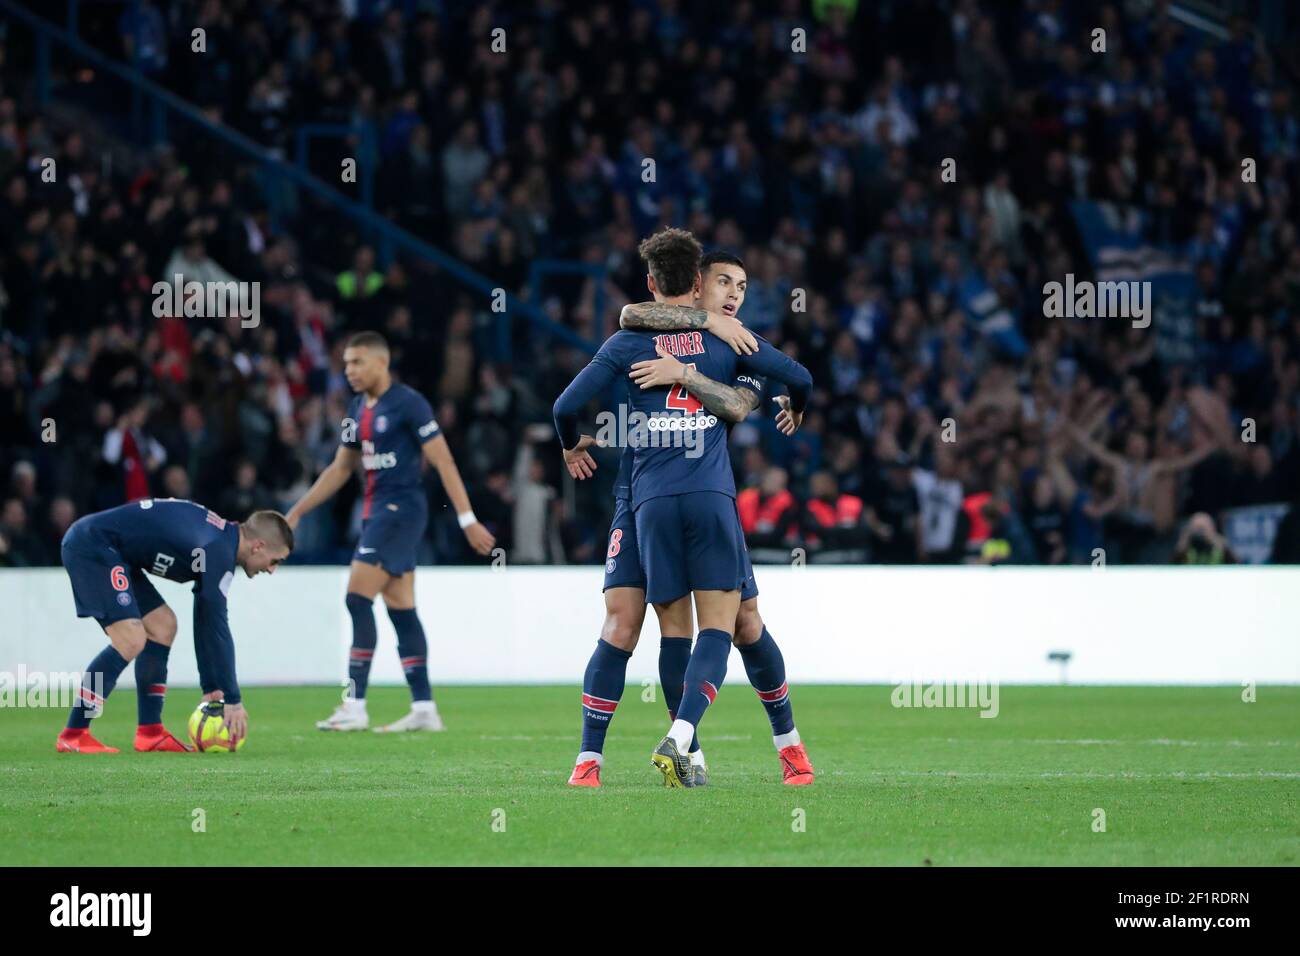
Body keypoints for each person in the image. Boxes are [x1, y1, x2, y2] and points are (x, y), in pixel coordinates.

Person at [553, 228, 813, 788]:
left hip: (650, 499)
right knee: (681, 625)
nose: (734, 296)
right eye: (724, 283)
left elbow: (743, 405)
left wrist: (576, 441)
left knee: (732, 623)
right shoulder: (717, 335)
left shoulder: (706, 341)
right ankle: (682, 747)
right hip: (682, 494)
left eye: (742, 286)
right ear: (696, 286)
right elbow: (796, 377)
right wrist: (793, 397)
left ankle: (776, 748)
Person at [287, 332, 494, 733]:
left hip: (400, 512)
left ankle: (355, 704)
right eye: (346, 363)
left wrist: (467, 519)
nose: (349, 370)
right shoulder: (355, 409)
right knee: (401, 610)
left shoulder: (409, 403)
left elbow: (443, 461)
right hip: (376, 514)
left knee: (356, 598)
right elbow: (340, 468)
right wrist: (297, 511)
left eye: (357, 362)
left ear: (381, 363)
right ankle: (424, 708)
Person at [56, 499, 292, 753]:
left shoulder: (220, 541)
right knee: (131, 639)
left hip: (116, 552)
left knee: (162, 626)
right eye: (275, 561)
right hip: (94, 545)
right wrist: (232, 699)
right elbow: (216, 626)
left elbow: (205, 618)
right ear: (258, 546)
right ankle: (74, 733)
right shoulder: (217, 549)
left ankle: (150, 732)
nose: (271, 570)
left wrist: (211, 686)